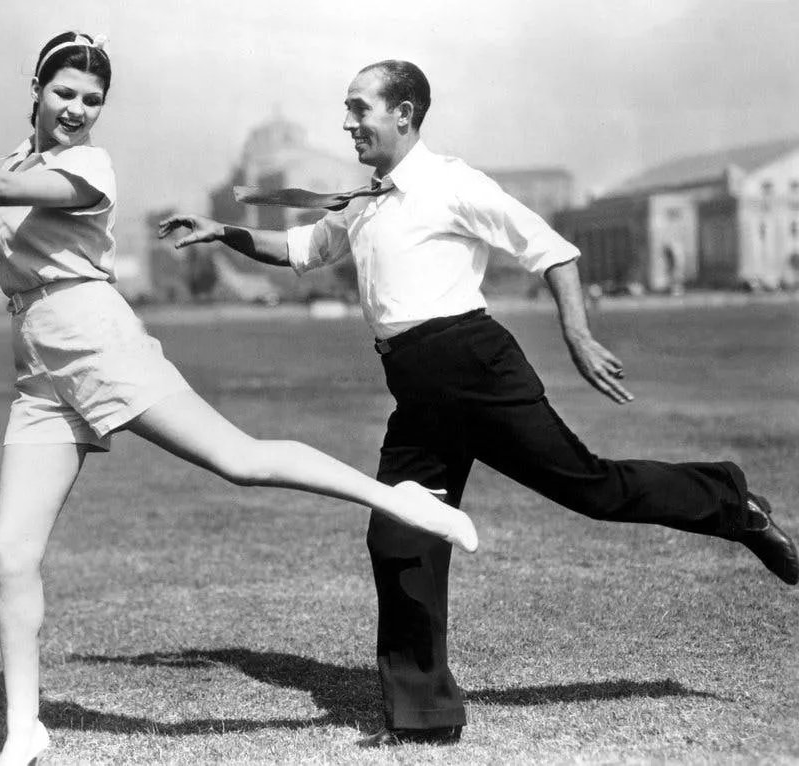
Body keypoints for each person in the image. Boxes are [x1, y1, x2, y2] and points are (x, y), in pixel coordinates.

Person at [0, 41, 479, 766]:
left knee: (241, 460)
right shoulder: (18, 163)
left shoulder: (87, 166)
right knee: (10, 552)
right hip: (41, 371)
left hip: (100, 345)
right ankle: (25, 729)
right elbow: (8, 206)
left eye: (91, 99)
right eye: (65, 92)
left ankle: (408, 502)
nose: (76, 109)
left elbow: (15, 196)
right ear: (37, 88)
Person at [158, 59, 798, 748]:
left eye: (359, 108)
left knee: (591, 489)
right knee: (399, 532)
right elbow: (300, 249)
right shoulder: (364, 200)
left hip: (474, 370)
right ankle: (424, 713)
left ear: (403, 113)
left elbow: (552, 251)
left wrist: (578, 334)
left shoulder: (452, 183)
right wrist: (224, 232)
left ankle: (734, 503)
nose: (347, 123)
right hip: (417, 389)